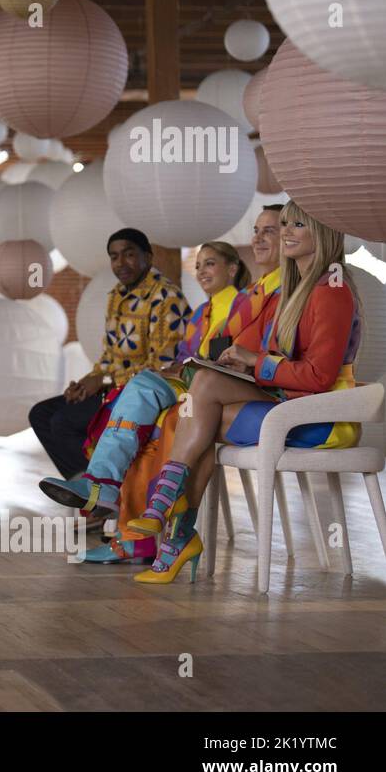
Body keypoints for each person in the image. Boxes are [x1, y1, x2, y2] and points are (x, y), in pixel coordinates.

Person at [129, 200, 361, 584]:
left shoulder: (331, 291)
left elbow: (320, 377)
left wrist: (257, 362)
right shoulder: (293, 290)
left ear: (321, 233)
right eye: (283, 223)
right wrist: (242, 363)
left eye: (296, 225)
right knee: (204, 385)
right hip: (286, 401)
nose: (285, 231)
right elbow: (273, 358)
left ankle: (173, 519)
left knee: (202, 411)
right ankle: (172, 520)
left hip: (320, 416)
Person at [37, 206, 286, 563]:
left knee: (146, 412)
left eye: (210, 264)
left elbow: (251, 356)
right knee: (115, 412)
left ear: (233, 269)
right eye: (198, 265)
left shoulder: (249, 298)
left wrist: (186, 368)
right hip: (198, 383)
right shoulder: (222, 306)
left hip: (232, 390)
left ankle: (123, 513)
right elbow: (183, 356)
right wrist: (99, 376)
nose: (201, 272)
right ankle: (110, 503)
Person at [28, 228, 190, 483]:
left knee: (63, 422)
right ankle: (94, 488)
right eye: (114, 257)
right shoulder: (118, 295)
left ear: (147, 256)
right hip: (112, 389)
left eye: (129, 254)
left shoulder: (165, 297)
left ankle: (100, 492)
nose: (120, 263)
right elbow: (109, 356)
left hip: (142, 395)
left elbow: (163, 367)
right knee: (41, 414)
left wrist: (105, 383)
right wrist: (86, 383)